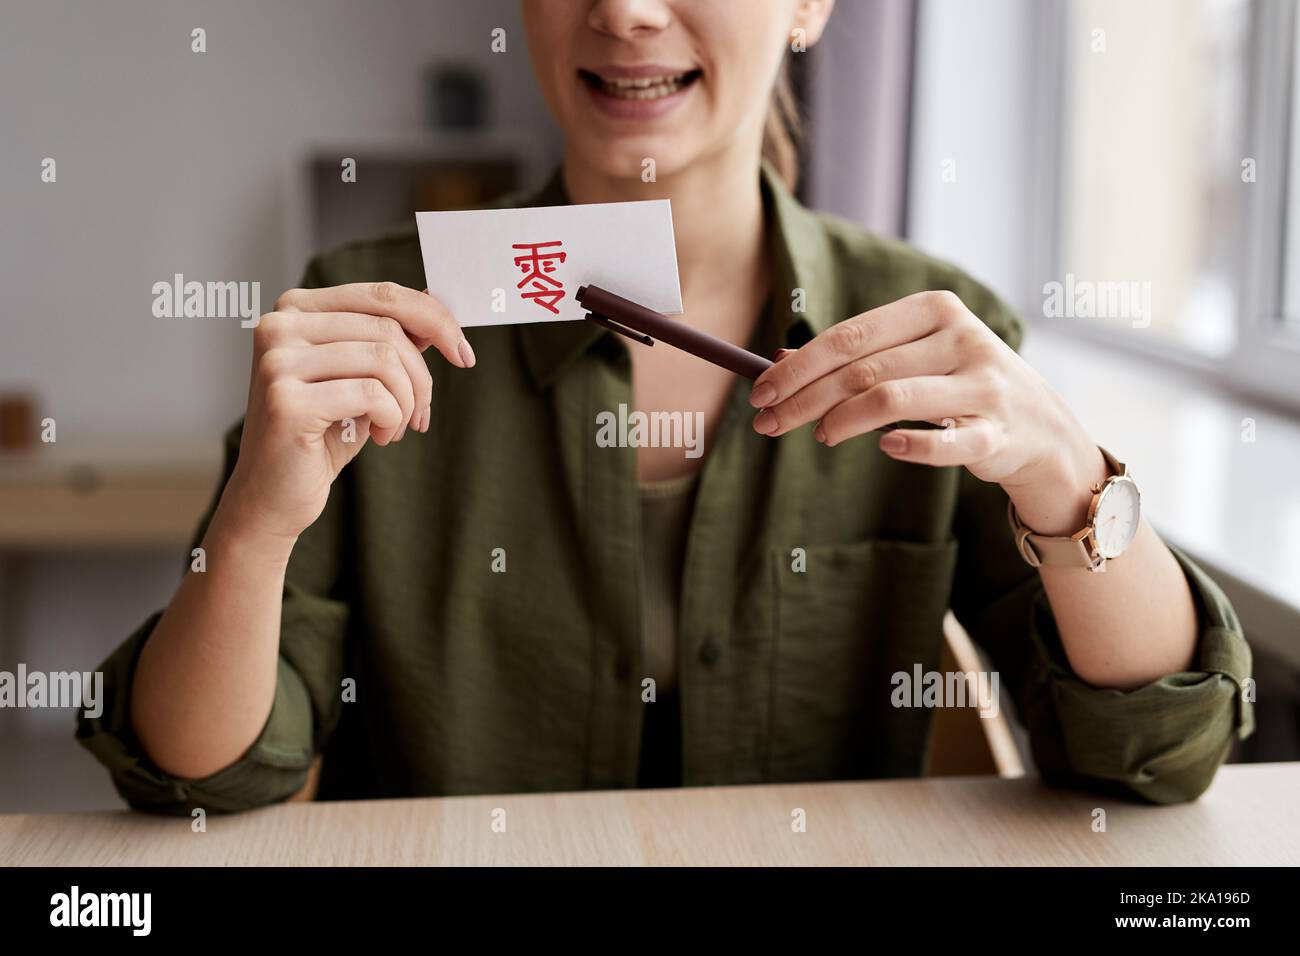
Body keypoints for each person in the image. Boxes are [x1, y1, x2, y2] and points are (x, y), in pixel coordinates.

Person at [79, 0, 1252, 812]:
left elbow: (1154, 753)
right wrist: (251, 525)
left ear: (808, 6)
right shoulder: (372, 319)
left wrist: (1073, 485)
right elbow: (198, 773)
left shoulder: (932, 331)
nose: (627, 10)